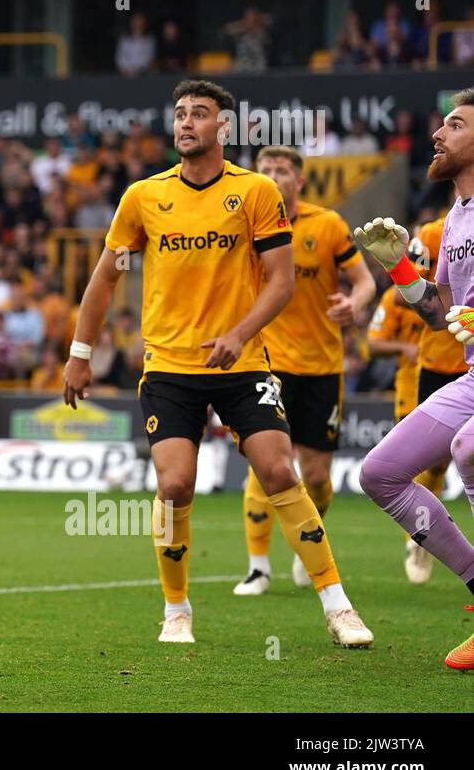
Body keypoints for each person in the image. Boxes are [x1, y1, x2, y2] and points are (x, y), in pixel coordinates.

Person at [63, 78, 372, 647]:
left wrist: (239, 333)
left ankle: (338, 605)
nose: (186, 123)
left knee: (281, 471)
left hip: (243, 363)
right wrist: (80, 354)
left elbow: (280, 284)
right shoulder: (143, 197)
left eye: (199, 115)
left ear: (223, 128)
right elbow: (105, 278)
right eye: (180, 113)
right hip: (170, 367)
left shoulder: (256, 193)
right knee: (174, 485)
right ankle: (176, 608)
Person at [354, 87, 474, 670]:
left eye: (453, 124)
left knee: (469, 448)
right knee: (379, 474)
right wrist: (398, 266)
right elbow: (442, 311)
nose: (438, 134)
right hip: (473, 375)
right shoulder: (452, 220)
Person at [231, 146, 375, 595]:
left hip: (323, 366)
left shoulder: (327, 225)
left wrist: (355, 303)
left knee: (315, 476)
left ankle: (305, 545)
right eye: (265, 170)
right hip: (266, 362)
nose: (273, 176)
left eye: (282, 171)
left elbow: (366, 280)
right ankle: (257, 567)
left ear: (300, 181)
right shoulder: (243, 225)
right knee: (264, 464)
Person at [366, 236, 450, 584]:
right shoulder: (434, 233)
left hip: (463, 367)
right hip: (424, 376)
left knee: (449, 459)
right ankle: (419, 537)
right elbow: (402, 301)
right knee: (424, 462)